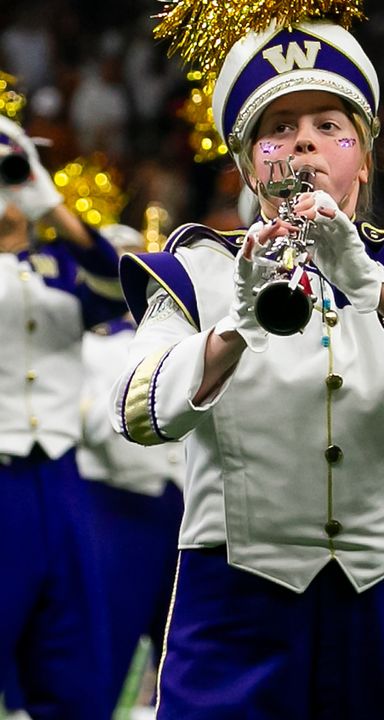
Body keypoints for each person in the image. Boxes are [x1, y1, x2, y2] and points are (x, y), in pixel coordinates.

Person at [113, 13, 384, 718]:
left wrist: (374, 286)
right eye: (279, 128)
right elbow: (138, 408)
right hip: (238, 604)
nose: (304, 141)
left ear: (363, 157)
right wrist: (234, 329)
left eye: (329, 125)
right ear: (247, 165)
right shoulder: (194, 271)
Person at [0, 112, 125, 718]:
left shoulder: (62, 264)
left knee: (75, 668)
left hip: (61, 477)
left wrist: (47, 199)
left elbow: (118, 285)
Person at [77, 223, 185, 712]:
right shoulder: (91, 343)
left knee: (181, 652)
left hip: (179, 514)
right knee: (106, 646)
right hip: (117, 507)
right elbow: (92, 426)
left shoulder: (179, 335)